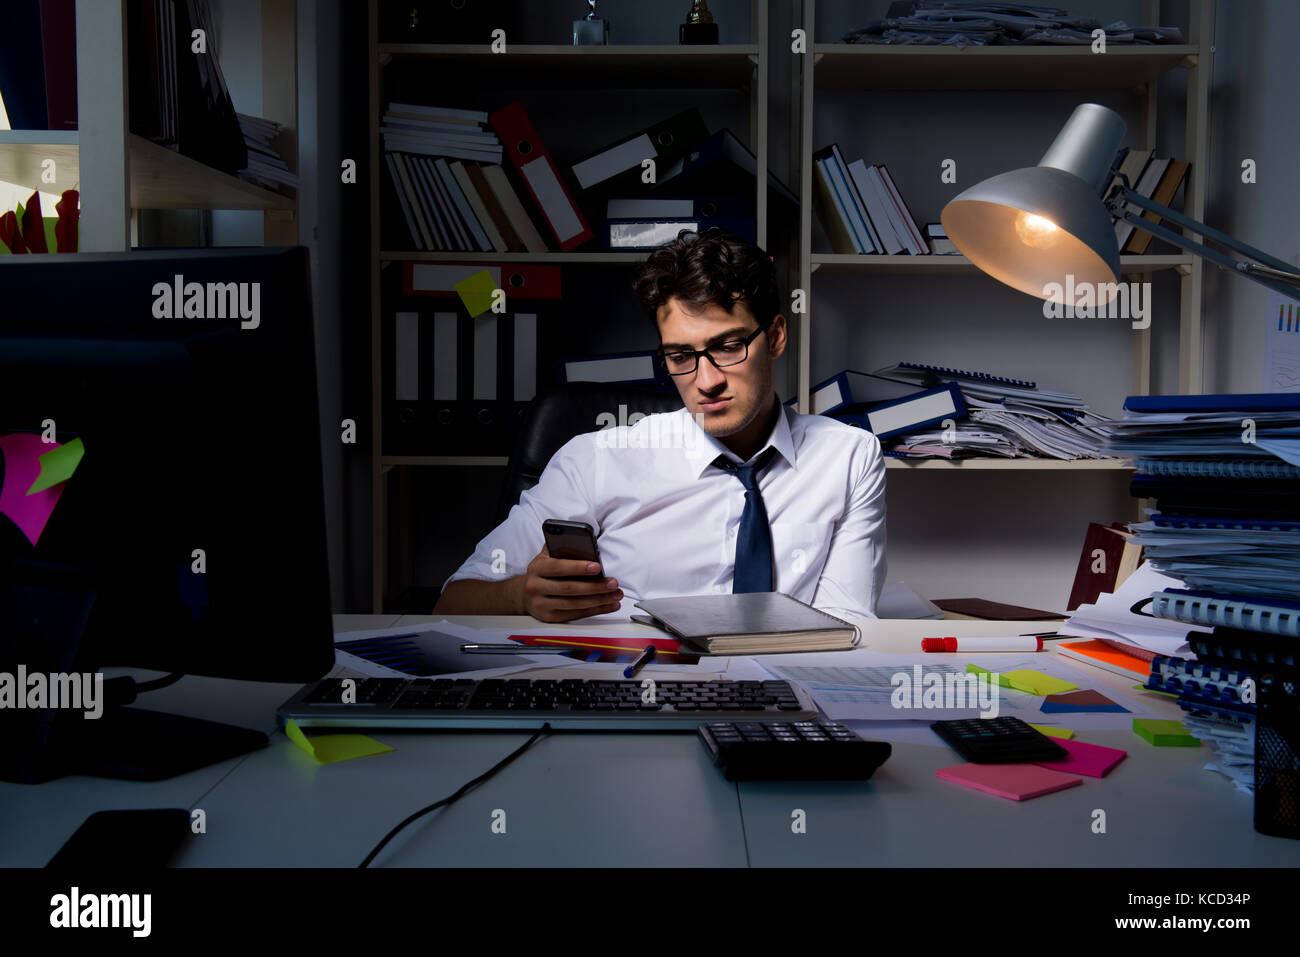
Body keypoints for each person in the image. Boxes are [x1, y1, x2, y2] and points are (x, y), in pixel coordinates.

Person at [433, 228, 887, 622]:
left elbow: (845, 626)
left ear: (776, 337)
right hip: (630, 690)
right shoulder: (595, 460)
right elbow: (453, 601)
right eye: (681, 357)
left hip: (781, 690)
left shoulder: (848, 458)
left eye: (728, 347)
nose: (706, 382)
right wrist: (520, 596)